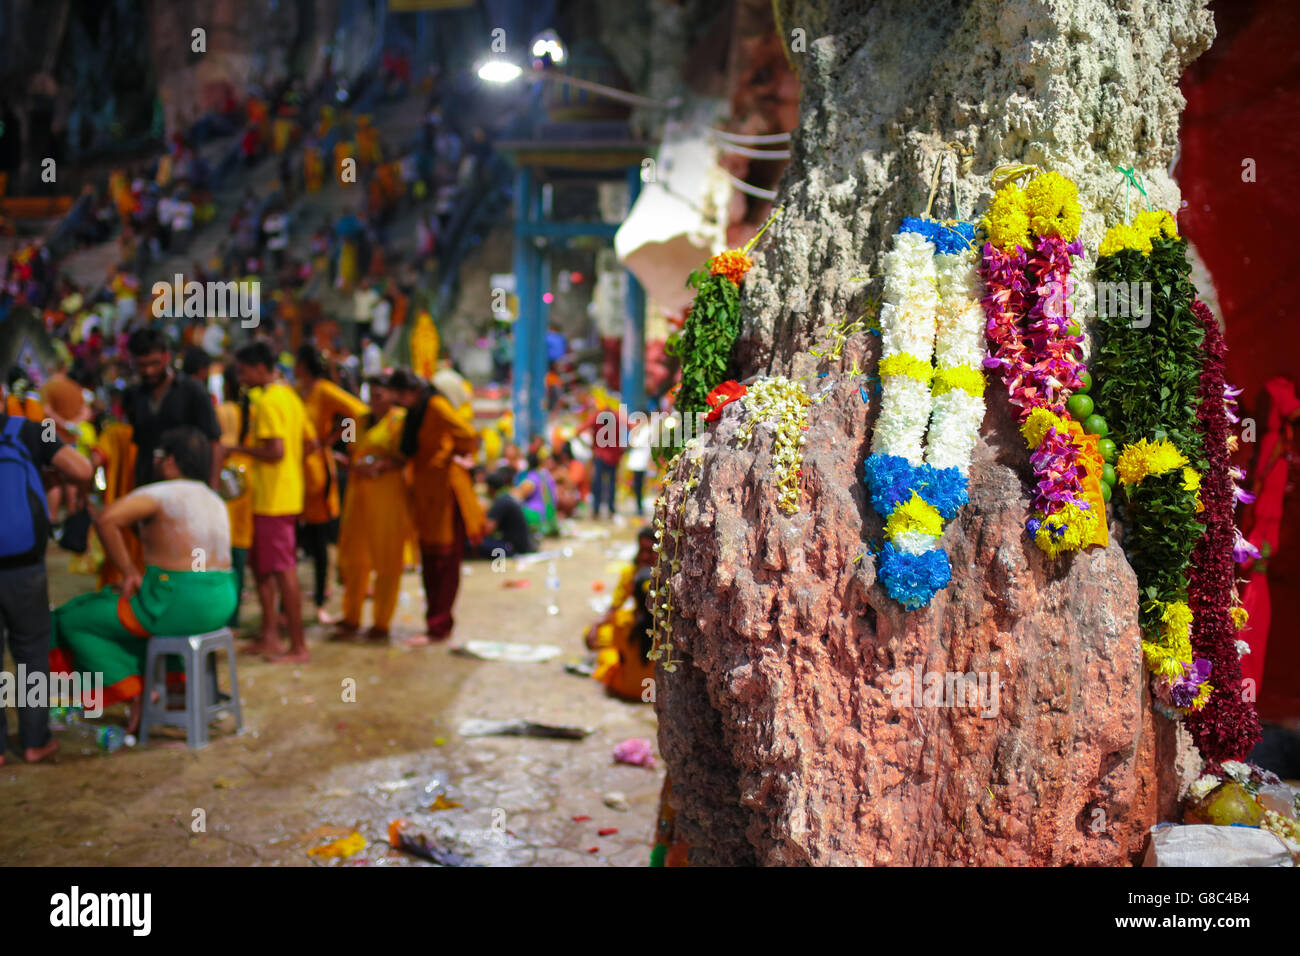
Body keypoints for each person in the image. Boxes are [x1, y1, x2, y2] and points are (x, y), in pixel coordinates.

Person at [50, 427, 237, 734]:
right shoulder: (213, 497)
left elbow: (106, 519)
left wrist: (129, 572)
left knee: (72, 619)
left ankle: (137, 693)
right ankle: (167, 691)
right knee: (117, 609)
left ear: (170, 461)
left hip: (176, 605)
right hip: (222, 602)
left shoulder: (163, 492)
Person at [0, 393, 92, 765]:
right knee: (32, 653)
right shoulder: (30, 432)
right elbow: (83, 470)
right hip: (25, 566)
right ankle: (35, 741)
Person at [393, 369, 484, 644]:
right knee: (431, 559)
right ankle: (434, 623)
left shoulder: (434, 404)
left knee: (445, 561)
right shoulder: (416, 410)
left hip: (445, 493)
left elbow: (467, 433)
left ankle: (439, 626)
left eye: (399, 395)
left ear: (411, 391)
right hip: (427, 495)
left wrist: (452, 456)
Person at [234, 341, 308, 662]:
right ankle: (270, 636)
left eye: (244, 370)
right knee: (263, 569)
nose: (241, 376)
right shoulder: (290, 396)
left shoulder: (267, 402)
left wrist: (236, 451)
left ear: (260, 369)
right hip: (282, 494)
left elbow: (275, 452)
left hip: (274, 499)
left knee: (281, 570)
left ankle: (298, 646)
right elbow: (311, 442)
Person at [294, 345, 368, 625]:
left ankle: (320, 603)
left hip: (316, 473)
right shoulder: (293, 391)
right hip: (292, 471)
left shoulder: (324, 390)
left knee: (318, 538)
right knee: (293, 539)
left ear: (303, 365)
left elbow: (357, 411)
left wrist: (333, 440)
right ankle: (286, 606)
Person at [335, 373, 410, 641]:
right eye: (371, 395)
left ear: (392, 395)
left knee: (387, 560)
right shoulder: (359, 420)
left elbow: (406, 457)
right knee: (354, 557)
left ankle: (381, 622)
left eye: (379, 395)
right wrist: (348, 462)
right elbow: (349, 449)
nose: (373, 401)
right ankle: (351, 616)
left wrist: (380, 466)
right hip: (358, 494)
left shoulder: (400, 421)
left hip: (387, 496)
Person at [123, 328, 222, 489]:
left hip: (188, 485)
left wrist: (213, 488)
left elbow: (215, 442)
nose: (149, 371)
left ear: (167, 356)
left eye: (155, 363)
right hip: (148, 486)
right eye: (142, 365)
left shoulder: (193, 391)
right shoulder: (133, 395)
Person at [585, 527, 657, 702]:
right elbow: (614, 606)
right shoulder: (666, 626)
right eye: (642, 551)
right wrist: (595, 626)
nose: (645, 556)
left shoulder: (622, 621)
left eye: (650, 551)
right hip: (653, 690)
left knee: (608, 657)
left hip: (626, 687)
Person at [479, 466, 535, 558]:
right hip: (523, 545)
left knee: (474, 543)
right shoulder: (506, 497)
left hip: (514, 548)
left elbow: (487, 530)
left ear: (491, 489)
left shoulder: (501, 501)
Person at [514, 449, 559, 537]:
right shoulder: (545, 474)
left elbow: (518, 496)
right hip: (550, 517)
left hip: (537, 518)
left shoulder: (532, 478)